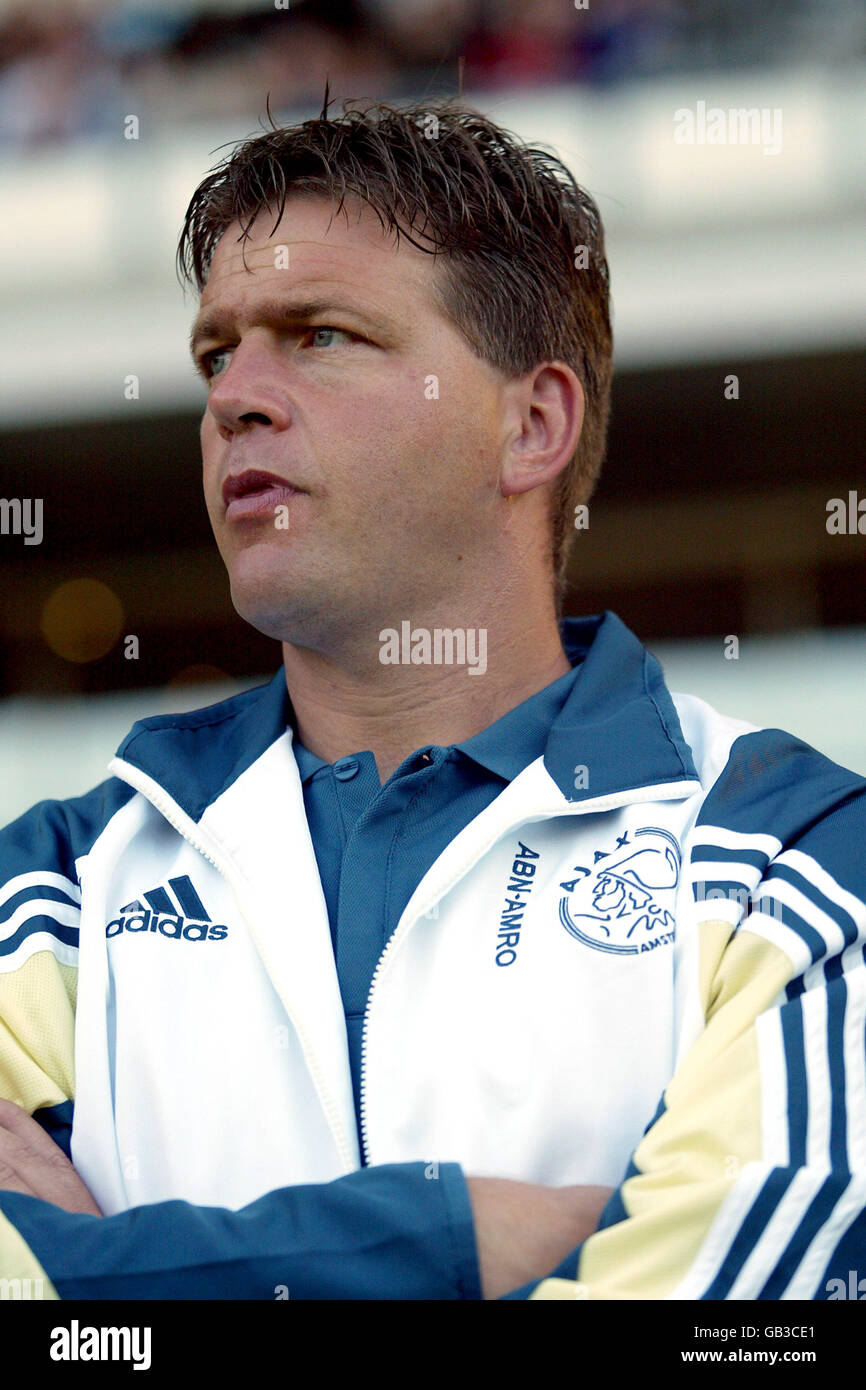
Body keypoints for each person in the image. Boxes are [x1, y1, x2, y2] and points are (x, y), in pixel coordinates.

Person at [1, 96, 864, 1302]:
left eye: (320, 335)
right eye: (216, 352)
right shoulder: (50, 886)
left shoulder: (796, 860)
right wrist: (457, 1238)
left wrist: (115, 1275)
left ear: (530, 423)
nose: (232, 397)